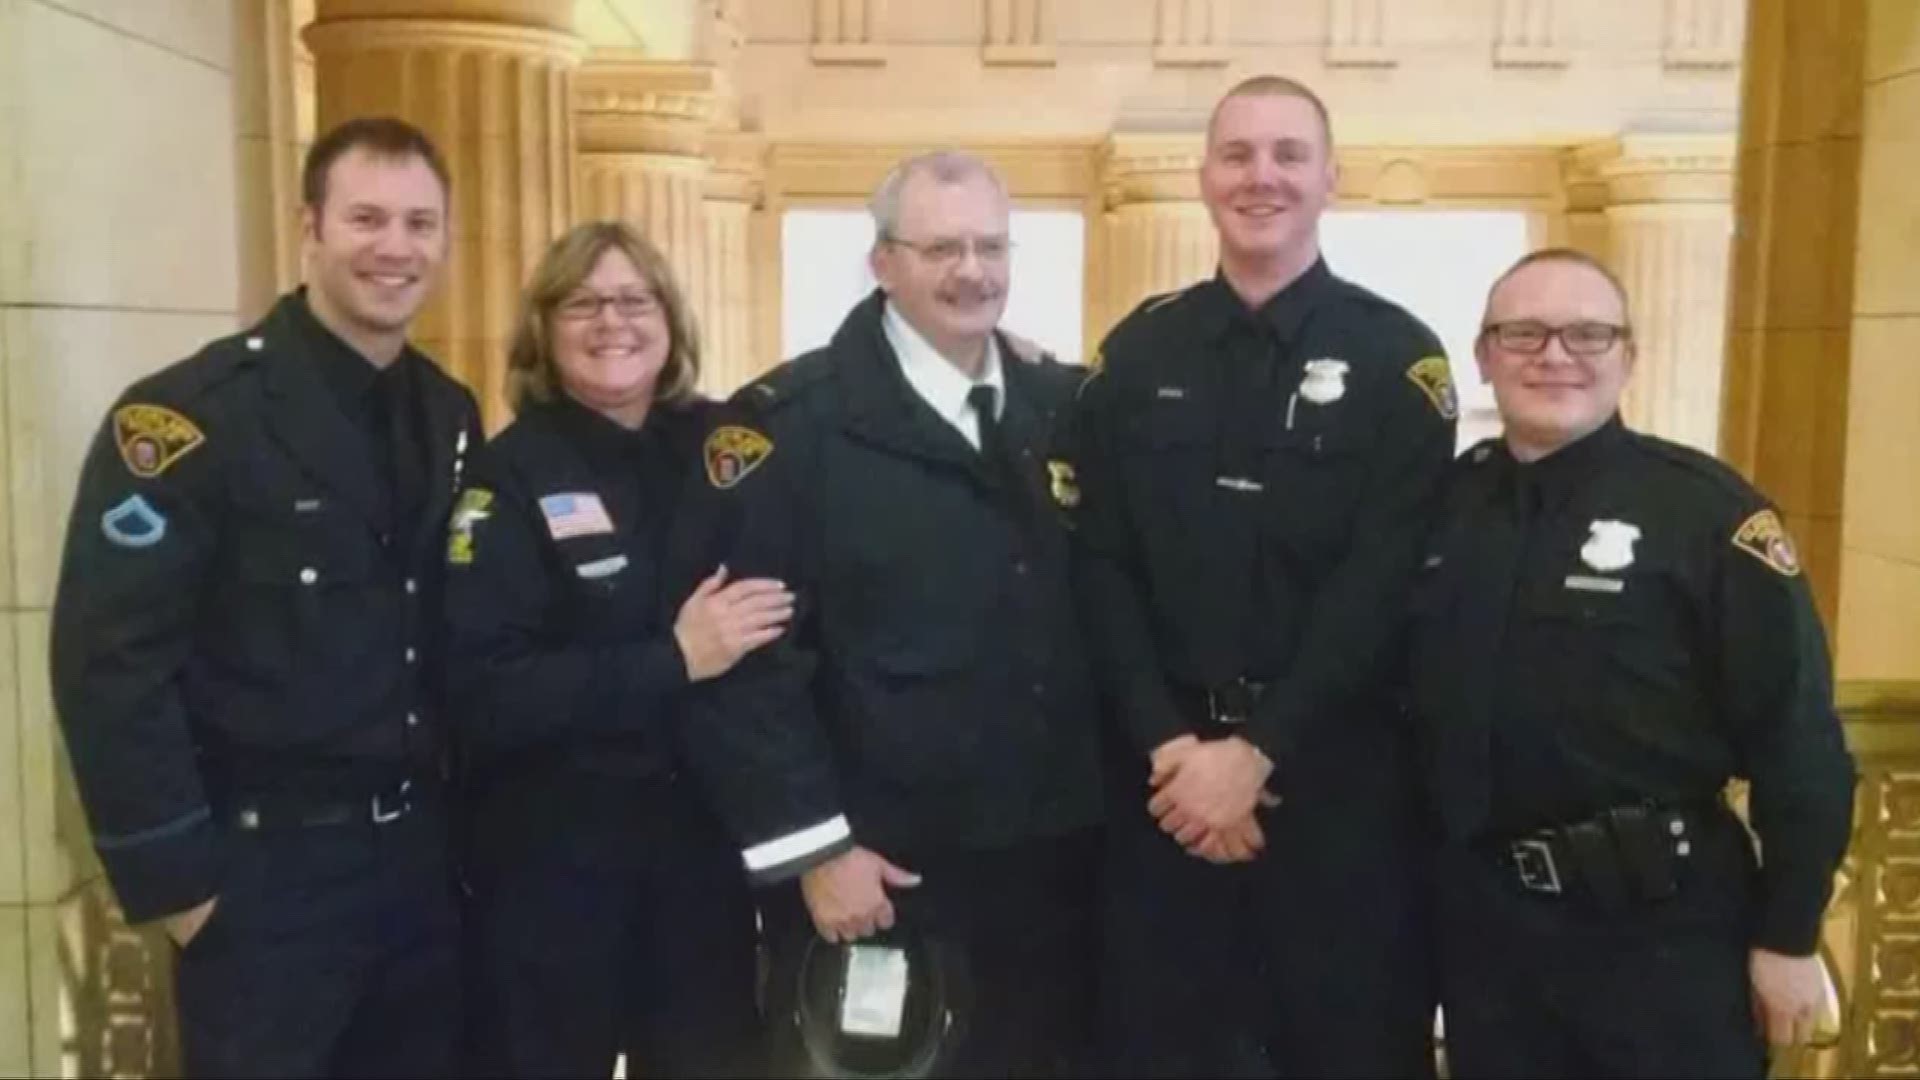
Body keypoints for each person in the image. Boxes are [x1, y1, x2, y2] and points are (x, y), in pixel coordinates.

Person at [49, 117, 481, 1077]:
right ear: (310, 229)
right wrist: (182, 888)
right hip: (264, 883)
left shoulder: (448, 411)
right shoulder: (193, 419)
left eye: (420, 223)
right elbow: (110, 662)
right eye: (366, 218)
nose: (395, 248)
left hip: (419, 870)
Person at [669, 150, 1104, 1077]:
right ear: (882, 263)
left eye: (991, 245)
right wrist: (816, 850)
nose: (972, 271)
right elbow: (751, 664)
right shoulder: (790, 427)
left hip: (1048, 870)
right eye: (941, 247)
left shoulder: (1061, 411)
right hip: (877, 878)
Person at [1066, 74, 1456, 1077]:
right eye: (1237, 154)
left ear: (1332, 178)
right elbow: (1101, 565)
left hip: (1333, 789)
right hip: (1161, 791)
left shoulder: (1396, 358)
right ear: (1204, 177)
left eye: (1288, 154)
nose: (1262, 176)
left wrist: (1259, 753)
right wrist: (1171, 747)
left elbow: (1383, 581)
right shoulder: (1137, 351)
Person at [1403, 247, 1855, 1078]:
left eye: (1588, 334)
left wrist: (1790, 933)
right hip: (1489, 939)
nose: (1555, 356)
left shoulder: (1706, 514)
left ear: (1629, 358)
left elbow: (1798, 740)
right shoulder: (1443, 509)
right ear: (1483, 355)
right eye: (1524, 333)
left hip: (1664, 934)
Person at [444, 221, 783, 1078]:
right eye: (582, 303)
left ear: (670, 320)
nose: (612, 322)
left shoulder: (722, 448)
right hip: (553, 867)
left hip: (700, 862)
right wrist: (672, 661)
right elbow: (486, 692)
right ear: (543, 330)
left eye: (635, 300)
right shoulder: (507, 477)